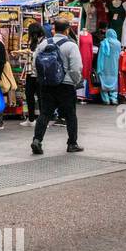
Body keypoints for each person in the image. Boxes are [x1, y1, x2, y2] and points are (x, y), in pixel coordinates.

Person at [31, 18, 84, 155]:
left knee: (45, 114)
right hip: (65, 86)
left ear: (54, 29)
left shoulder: (43, 43)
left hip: (47, 85)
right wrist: (75, 81)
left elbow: (35, 63)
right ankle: (72, 143)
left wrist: (41, 78)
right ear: (67, 30)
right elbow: (76, 67)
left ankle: (37, 140)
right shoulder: (71, 45)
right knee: (70, 115)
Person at [22, 22, 46, 125]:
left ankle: (43, 119)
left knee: (41, 97)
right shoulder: (33, 42)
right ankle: (31, 119)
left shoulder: (44, 42)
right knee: (29, 95)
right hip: (30, 72)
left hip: (40, 74)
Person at [96, 28, 122, 105]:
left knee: (103, 82)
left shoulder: (103, 43)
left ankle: (106, 99)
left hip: (104, 66)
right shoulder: (118, 43)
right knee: (114, 82)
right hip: (114, 66)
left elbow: (100, 56)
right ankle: (113, 99)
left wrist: (99, 67)